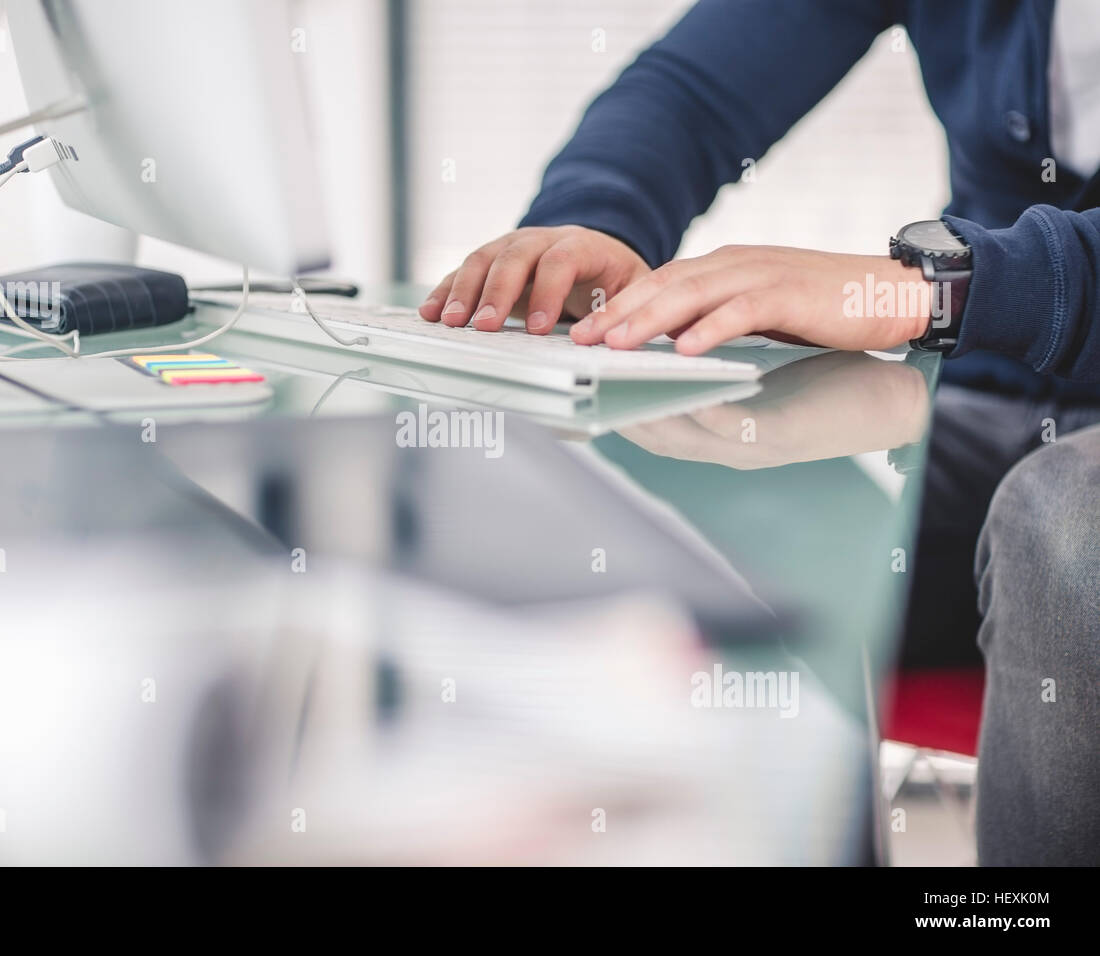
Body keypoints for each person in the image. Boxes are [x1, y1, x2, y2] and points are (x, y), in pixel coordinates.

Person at [417, 0, 1100, 866]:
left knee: (1069, 526)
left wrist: (926, 289)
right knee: (716, 463)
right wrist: (593, 221)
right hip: (992, 396)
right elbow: (697, 93)